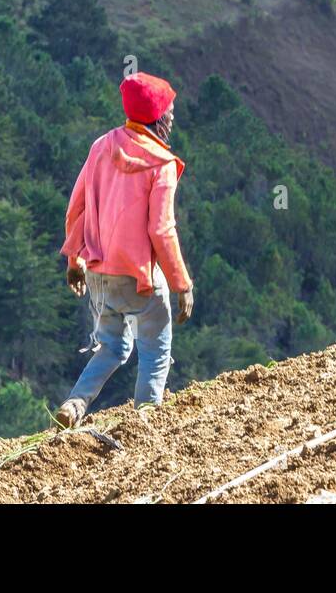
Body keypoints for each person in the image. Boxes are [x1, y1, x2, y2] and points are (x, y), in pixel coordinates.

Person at [54, 72, 195, 428]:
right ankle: (145, 420)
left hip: (99, 274)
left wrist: (75, 260)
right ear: (157, 117)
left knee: (113, 348)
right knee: (156, 344)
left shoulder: (101, 146)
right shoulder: (161, 164)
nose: (174, 117)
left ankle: (75, 403)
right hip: (138, 278)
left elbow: (77, 207)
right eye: (170, 112)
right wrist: (182, 283)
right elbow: (161, 229)